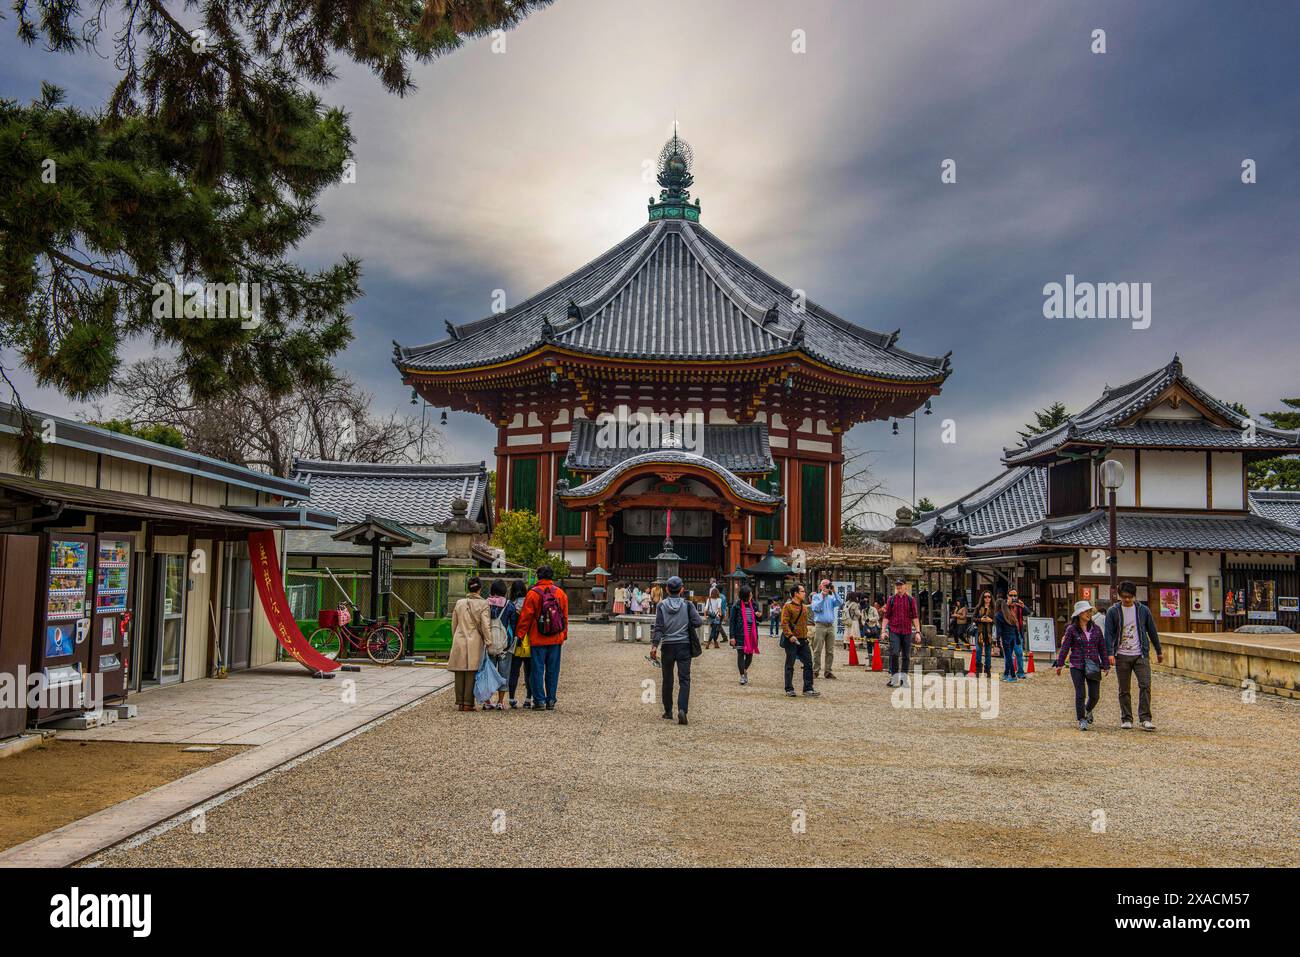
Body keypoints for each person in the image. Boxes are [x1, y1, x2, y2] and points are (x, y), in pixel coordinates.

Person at [1103, 581, 1163, 731]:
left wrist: (1159, 650)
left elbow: (1152, 631)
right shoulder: (1113, 611)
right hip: (1121, 654)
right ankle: (1127, 718)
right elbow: (1108, 634)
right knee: (1124, 688)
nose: (1127, 600)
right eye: (1124, 597)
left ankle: (1145, 718)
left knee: (1145, 685)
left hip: (1140, 653)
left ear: (1134, 596)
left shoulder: (1143, 611)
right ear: (1119, 596)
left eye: (1130, 597)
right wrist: (1109, 653)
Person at [515, 565, 569, 711]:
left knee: (536, 670)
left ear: (538, 577)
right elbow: (564, 617)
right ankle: (551, 699)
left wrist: (520, 634)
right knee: (553, 670)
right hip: (555, 637)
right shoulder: (560, 593)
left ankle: (539, 700)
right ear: (552, 577)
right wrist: (563, 635)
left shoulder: (533, 594)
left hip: (537, 637)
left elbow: (526, 617)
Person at [649, 575, 701, 725]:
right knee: (684, 679)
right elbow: (697, 622)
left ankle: (668, 711)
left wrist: (654, 646)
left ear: (666, 589)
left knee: (667, 679)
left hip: (667, 646)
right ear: (682, 590)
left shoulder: (661, 606)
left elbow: (658, 628)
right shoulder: (687, 605)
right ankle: (682, 709)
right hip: (684, 645)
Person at [1054, 599, 1110, 731]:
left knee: (1095, 695)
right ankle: (1081, 719)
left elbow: (1102, 647)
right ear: (1079, 614)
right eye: (1086, 611)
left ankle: (1087, 709)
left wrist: (1106, 664)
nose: (1088, 614)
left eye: (1090, 611)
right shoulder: (1071, 629)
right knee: (1080, 693)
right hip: (1077, 664)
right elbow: (1065, 647)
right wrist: (1060, 664)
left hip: (1093, 664)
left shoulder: (1096, 629)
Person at [447, 576, 493, 712]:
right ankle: (468, 703)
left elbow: (453, 624)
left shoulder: (459, 603)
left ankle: (460, 702)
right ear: (480, 588)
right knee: (471, 672)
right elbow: (485, 625)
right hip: (474, 640)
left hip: (459, 638)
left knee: (459, 671)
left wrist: (455, 636)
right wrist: (489, 641)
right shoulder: (483, 604)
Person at [779, 583, 820, 697]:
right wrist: (790, 635)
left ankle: (808, 688)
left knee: (808, 663)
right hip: (791, 640)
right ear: (796, 593)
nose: (804, 593)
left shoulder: (804, 607)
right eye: (802, 591)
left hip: (803, 640)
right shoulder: (788, 606)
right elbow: (784, 623)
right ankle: (789, 688)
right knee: (790, 664)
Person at [485, 578, 519, 710]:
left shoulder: (486, 603)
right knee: (504, 672)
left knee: (488, 672)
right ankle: (500, 702)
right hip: (504, 645)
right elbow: (514, 625)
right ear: (504, 591)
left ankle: (487, 702)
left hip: (488, 644)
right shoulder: (509, 605)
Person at [882, 578, 920, 688]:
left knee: (906, 656)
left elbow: (915, 616)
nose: (898, 587)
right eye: (897, 585)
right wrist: (883, 630)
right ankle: (894, 677)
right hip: (894, 630)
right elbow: (887, 616)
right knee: (894, 653)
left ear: (905, 586)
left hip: (907, 631)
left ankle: (904, 679)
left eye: (900, 585)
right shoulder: (891, 599)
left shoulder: (910, 600)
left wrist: (917, 631)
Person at [506, 579, 535, 709]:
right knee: (529, 671)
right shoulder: (530, 603)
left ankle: (512, 697)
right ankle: (529, 698)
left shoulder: (511, 605)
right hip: (530, 640)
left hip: (516, 641)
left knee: (514, 670)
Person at [809, 579, 843, 679]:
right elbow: (816, 608)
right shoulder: (816, 596)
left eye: (828, 586)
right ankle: (815, 671)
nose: (826, 587)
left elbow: (840, 603)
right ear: (820, 587)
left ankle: (828, 671)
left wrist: (834, 591)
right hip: (820, 625)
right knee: (817, 649)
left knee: (830, 650)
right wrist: (823, 597)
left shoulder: (832, 597)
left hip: (830, 626)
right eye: (825, 585)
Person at [729, 584, 761, 685]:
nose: (751, 596)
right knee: (740, 654)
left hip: (752, 634)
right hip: (740, 634)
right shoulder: (736, 606)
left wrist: (759, 616)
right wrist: (732, 637)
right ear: (745, 595)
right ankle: (742, 675)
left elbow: (759, 619)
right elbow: (732, 622)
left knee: (750, 655)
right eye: (750, 594)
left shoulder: (754, 604)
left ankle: (745, 669)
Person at [995, 589, 1025, 682]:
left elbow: (999, 630)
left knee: (1012, 655)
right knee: (1009, 656)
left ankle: (1013, 675)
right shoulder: (1007, 612)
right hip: (1013, 635)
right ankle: (1006, 673)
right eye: (1011, 595)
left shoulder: (999, 615)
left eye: (1015, 595)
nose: (1013, 598)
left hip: (1009, 636)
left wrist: (997, 640)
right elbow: (1014, 625)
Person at [973, 590, 995, 677]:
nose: (987, 598)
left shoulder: (994, 608)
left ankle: (987, 670)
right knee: (978, 650)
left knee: (988, 652)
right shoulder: (978, 607)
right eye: (985, 596)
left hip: (989, 633)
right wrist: (981, 619)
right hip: (979, 632)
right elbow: (973, 618)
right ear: (983, 597)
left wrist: (991, 620)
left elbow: (997, 620)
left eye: (989, 597)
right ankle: (978, 669)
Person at [862, 597, 881, 662]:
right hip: (868, 628)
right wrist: (865, 625)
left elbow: (877, 617)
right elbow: (862, 619)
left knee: (875, 642)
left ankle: (876, 655)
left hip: (874, 627)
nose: (864, 608)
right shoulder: (863, 611)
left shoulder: (873, 609)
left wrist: (870, 619)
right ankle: (870, 656)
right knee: (868, 642)